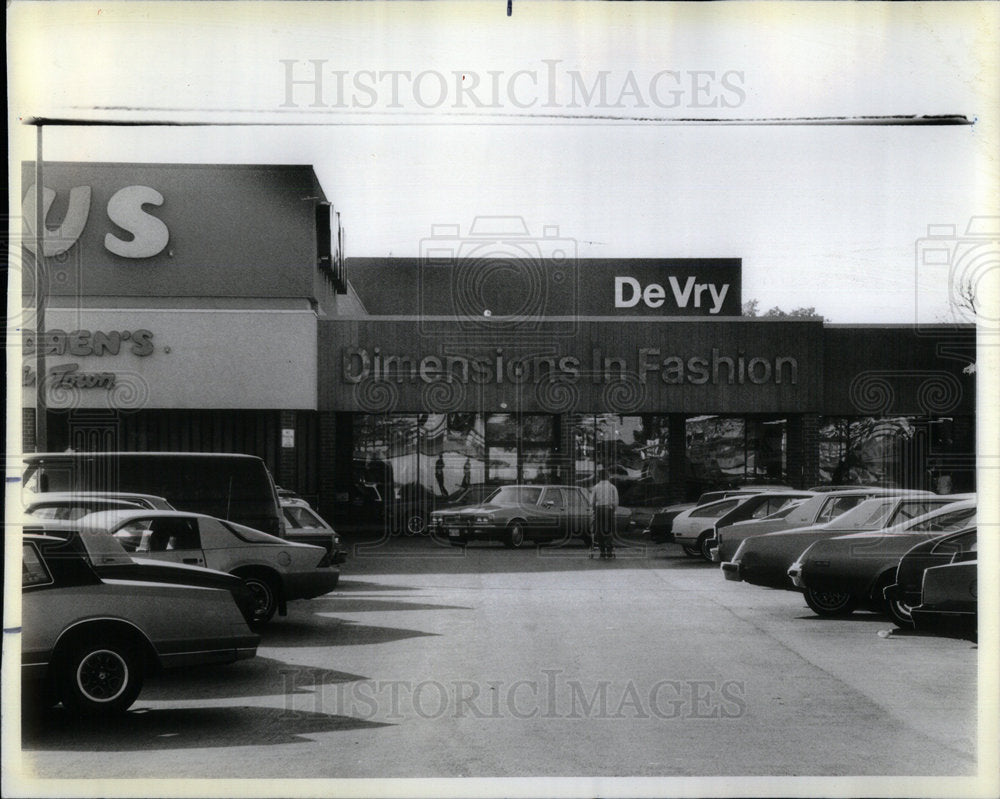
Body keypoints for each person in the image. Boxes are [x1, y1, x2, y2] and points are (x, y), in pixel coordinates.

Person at [590, 468, 619, 559]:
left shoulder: (596, 487)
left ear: (599, 477)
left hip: (599, 509)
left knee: (599, 530)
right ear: (608, 477)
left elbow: (592, 501)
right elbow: (615, 501)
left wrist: (594, 510)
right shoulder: (612, 487)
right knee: (609, 530)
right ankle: (609, 550)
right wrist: (613, 510)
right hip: (608, 509)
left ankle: (602, 551)